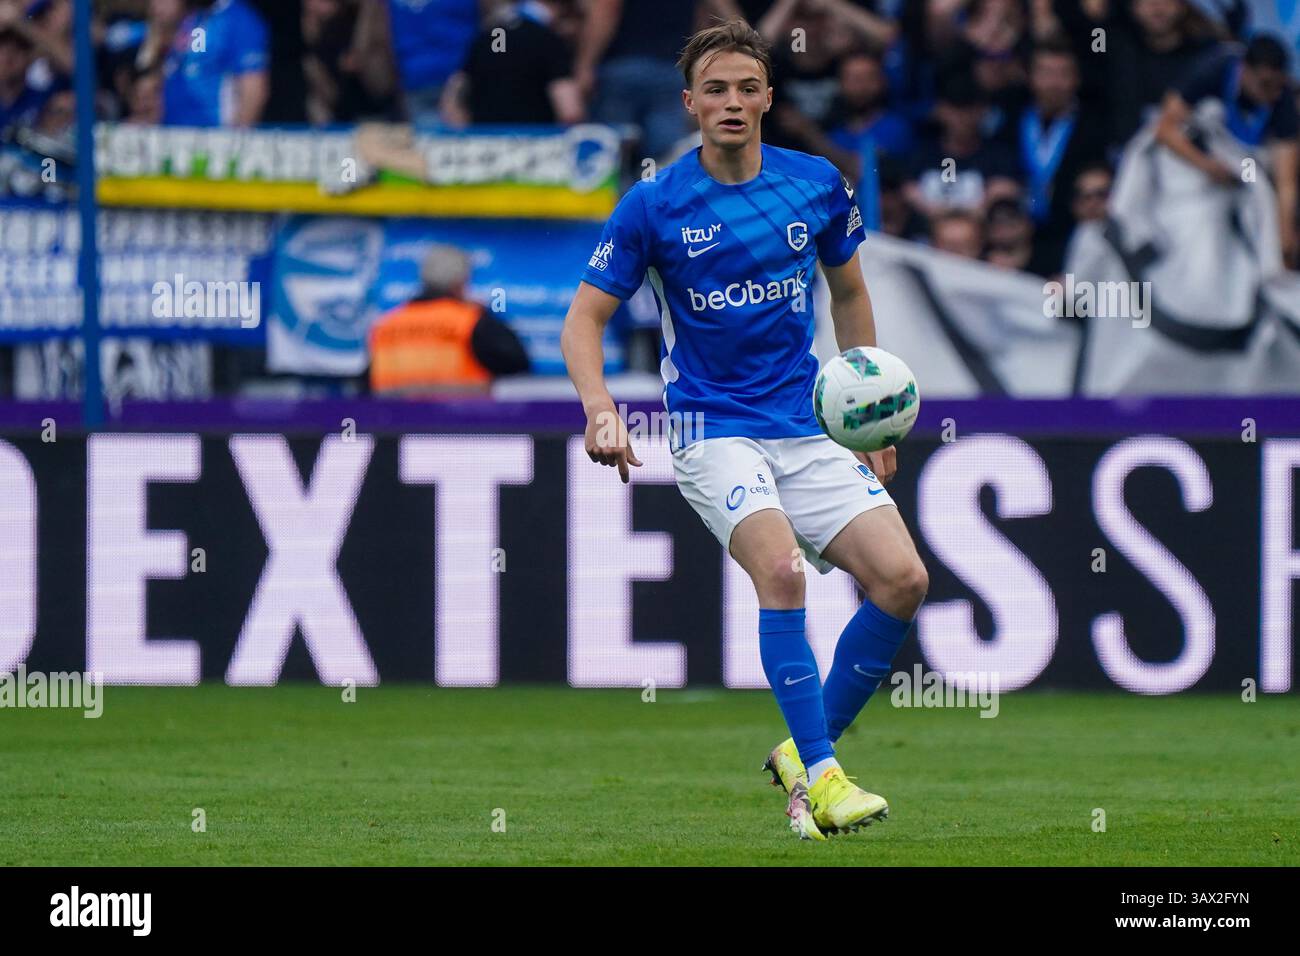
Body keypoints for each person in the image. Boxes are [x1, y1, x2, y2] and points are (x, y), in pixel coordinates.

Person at [561, 18, 928, 841]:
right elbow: (582, 321)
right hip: (709, 426)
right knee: (782, 574)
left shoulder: (816, 185)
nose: (733, 102)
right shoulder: (655, 205)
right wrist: (601, 410)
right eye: (715, 90)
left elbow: (848, 293)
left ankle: (802, 753)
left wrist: (863, 404)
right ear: (690, 104)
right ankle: (827, 779)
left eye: (747, 88)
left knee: (903, 581)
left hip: (805, 422)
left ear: (769, 97)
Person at [1155, 33, 1299, 265]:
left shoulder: (1281, 99)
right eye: (1264, 84)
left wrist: (1285, 236)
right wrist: (1208, 167)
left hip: (1243, 165)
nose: (1272, 93)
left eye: (1277, 85)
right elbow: (1164, 129)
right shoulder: (1214, 68)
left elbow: (1286, 182)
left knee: (1260, 198)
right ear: (1244, 70)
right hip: (1194, 153)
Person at [368, 244, 530, 396]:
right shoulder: (471, 321)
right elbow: (518, 363)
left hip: (392, 423)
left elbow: (367, 384)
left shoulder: (385, 325)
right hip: (460, 421)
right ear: (461, 282)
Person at [161, 0, 269, 127]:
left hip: (215, 136)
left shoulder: (240, 20)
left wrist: (236, 141)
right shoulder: (190, 16)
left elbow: (253, 88)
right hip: (173, 133)